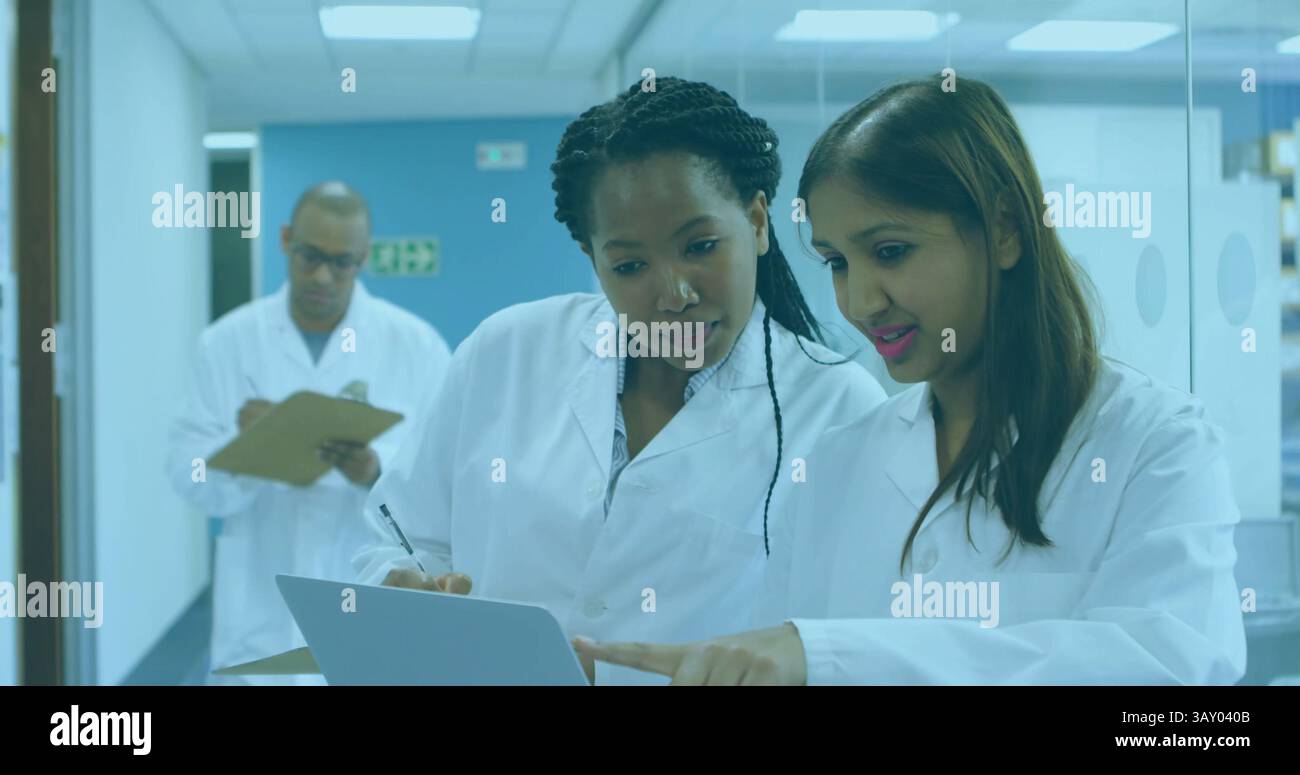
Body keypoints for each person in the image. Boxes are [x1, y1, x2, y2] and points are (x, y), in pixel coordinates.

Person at [575, 78, 1247, 685]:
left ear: (1005, 229)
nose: (861, 300)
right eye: (837, 262)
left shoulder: (1154, 446)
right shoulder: (836, 464)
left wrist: (839, 657)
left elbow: (1171, 696)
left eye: (890, 252)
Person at [354, 77, 887, 685]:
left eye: (702, 245)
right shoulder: (505, 352)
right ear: (592, 257)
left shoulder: (840, 408)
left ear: (759, 221)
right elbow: (396, 537)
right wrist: (398, 584)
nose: (674, 295)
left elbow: (852, 643)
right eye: (630, 265)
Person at [167, 181, 452, 684]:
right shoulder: (226, 343)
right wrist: (243, 454)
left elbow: (447, 478)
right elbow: (186, 474)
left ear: (363, 259)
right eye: (309, 256)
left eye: (342, 263)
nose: (323, 275)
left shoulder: (417, 346)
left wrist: (375, 468)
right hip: (259, 605)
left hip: (368, 602)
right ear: (284, 240)